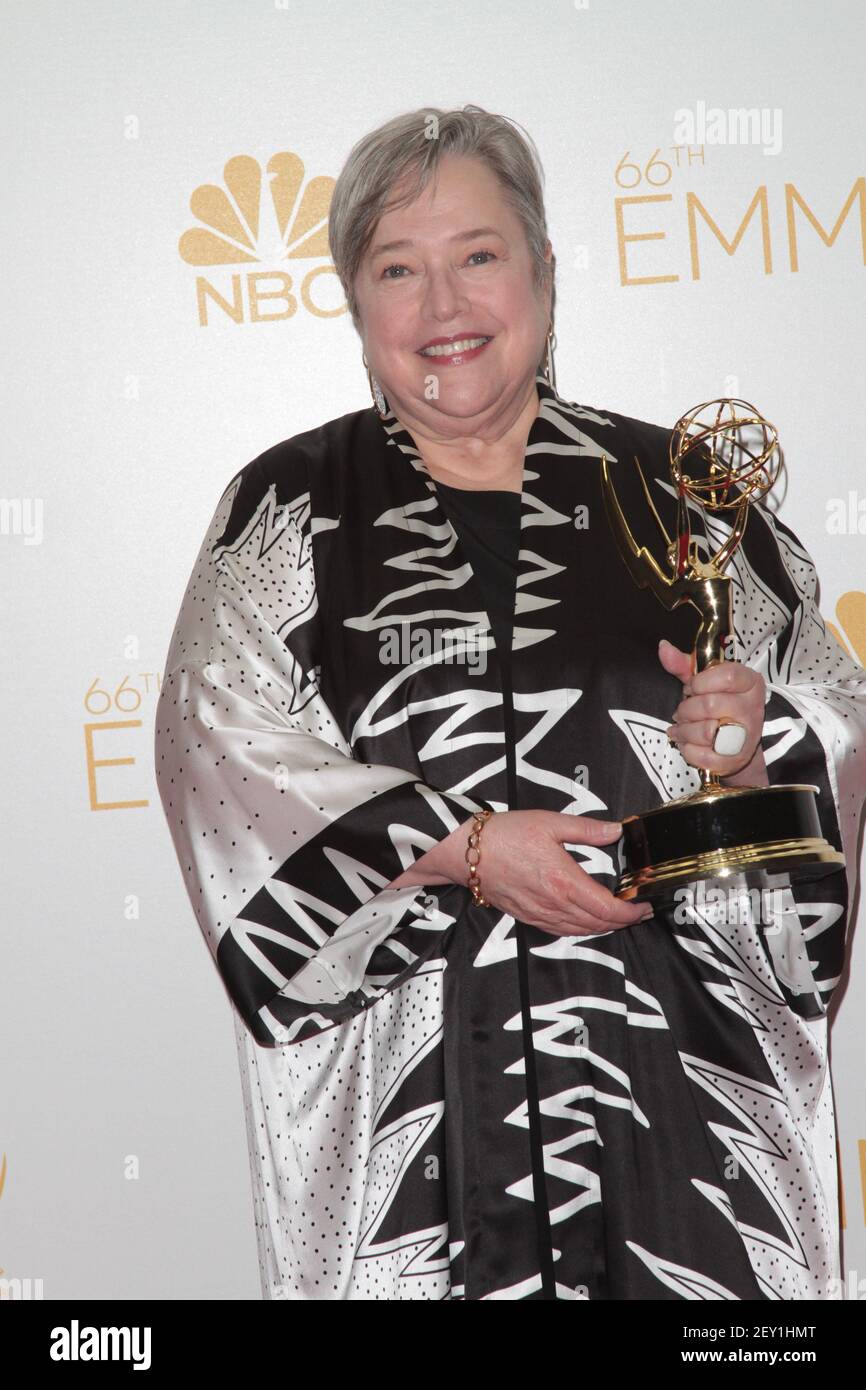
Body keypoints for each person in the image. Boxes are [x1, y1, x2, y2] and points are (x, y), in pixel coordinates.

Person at [154, 105, 866, 1301]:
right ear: (353, 302)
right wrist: (463, 848)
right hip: (413, 1127)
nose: (443, 308)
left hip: (689, 1116)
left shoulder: (689, 499)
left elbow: (831, 723)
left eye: (477, 255)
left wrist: (753, 748)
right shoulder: (289, 506)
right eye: (396, 268)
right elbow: (211, 750)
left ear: (542, 269)